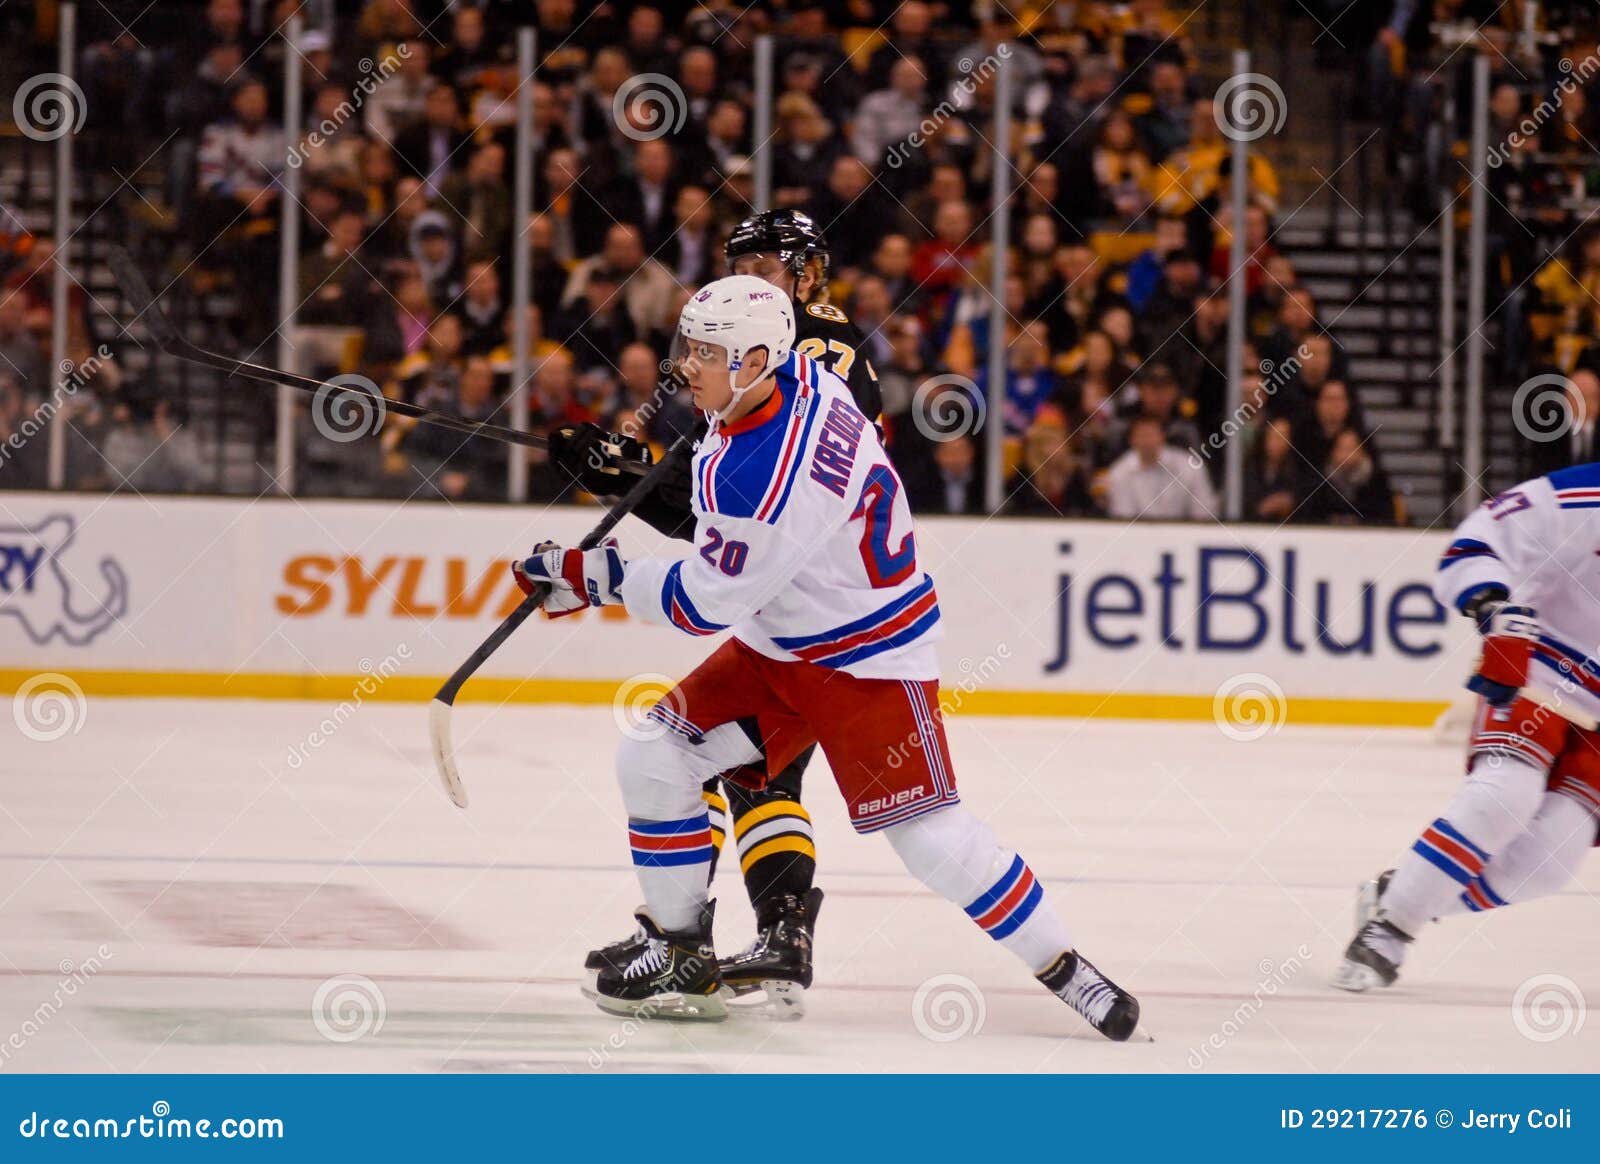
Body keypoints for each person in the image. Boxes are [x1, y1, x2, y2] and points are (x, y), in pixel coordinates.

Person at [513, 275, 1141, 1039]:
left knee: (929, 838)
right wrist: (635, 469)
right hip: (785, 641)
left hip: (867, 659)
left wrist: (591, 576)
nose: (687, 367)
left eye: (706, 353)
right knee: (653, 755)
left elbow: (704, 600)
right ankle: (680, 949)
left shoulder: (763, 475)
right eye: (689, 347)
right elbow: (724, 509)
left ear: (751, 360)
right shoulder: (805, 376)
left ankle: (1068, 969)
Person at [546, 210, 880, 1015]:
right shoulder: (753, 339)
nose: (752, 275)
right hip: (788, 574)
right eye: (744, 261)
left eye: (770, 263)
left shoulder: (808, 342)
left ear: (809, 274)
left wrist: (634, 484)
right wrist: (625, 470)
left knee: (736, 759)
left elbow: (751, 500)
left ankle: (721, 937)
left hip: (809, 586)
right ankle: (707, 932)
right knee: (735, 762)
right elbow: (712, 494)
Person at [1333, 464, 1600, 991]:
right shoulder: (1587, 495)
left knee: (1550, 860)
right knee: (1506, 794)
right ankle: (1388, 931)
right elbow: (1485, 532)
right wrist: (1493, 605)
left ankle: (1401, 894)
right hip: (1543, 666)